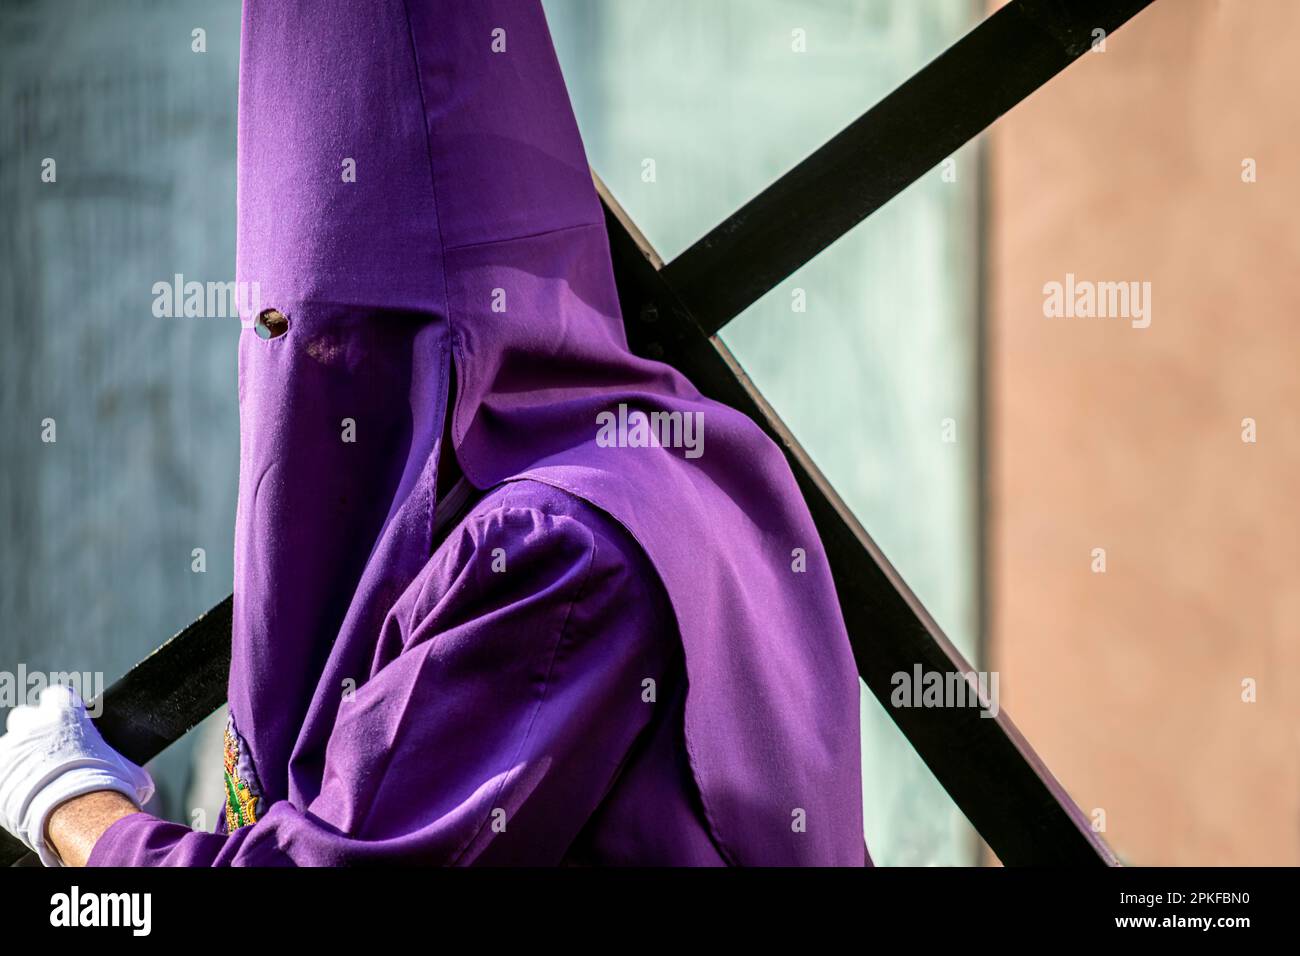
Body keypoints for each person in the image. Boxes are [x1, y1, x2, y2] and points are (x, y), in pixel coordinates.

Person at [0, 0, 867, 866]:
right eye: (274, 337)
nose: (299, 382)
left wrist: (74, 809)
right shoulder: (690, 455)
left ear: (445, 335)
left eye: (327, 337)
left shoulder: (548, 551)